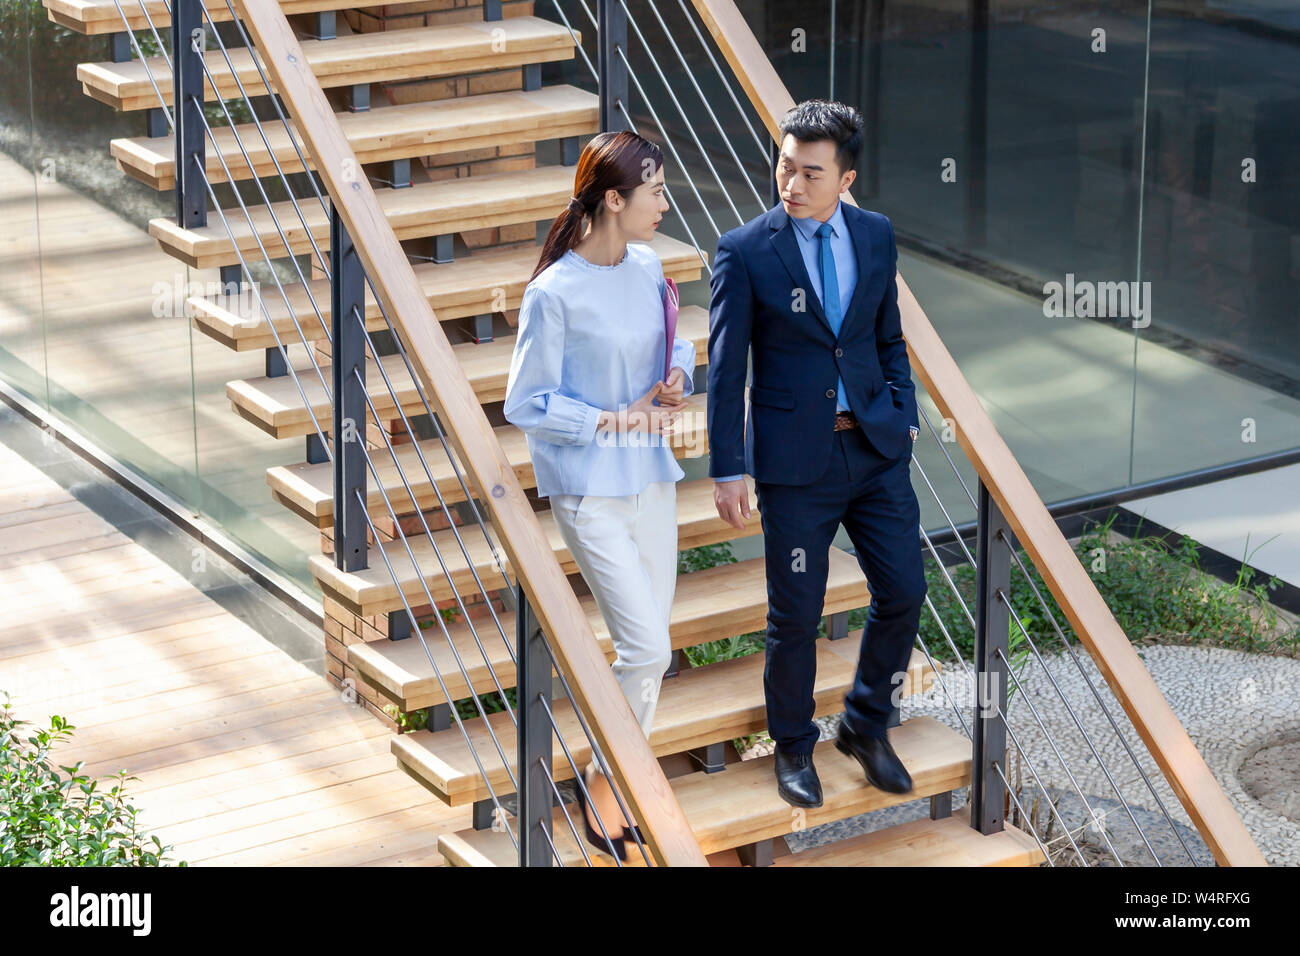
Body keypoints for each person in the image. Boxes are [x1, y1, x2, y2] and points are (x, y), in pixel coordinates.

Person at [707, 99, 928, 808]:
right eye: (784, 166)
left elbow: (887, 334)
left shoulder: (874, 234)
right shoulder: (743, 250)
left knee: (904, 591)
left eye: (810, 172)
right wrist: (728, 465)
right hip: (795, 465)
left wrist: (904, 411)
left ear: (846, 178)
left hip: (873, 450)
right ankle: (793, 747)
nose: (791, 184)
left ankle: (866, 725)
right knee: (795, 615)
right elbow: (724, 367)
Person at [503, 130, 697, 860]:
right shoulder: (554, 293)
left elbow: (674, 343)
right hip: (590, 491)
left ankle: (607, 772)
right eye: (655, 191)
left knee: (652, 652)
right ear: (614, 200)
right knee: (646, 649)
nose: (665, 202)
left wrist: (678, 375)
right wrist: (610, 418)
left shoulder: (648, 267)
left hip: (652, 481)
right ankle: (608, 782)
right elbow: (525, 402)